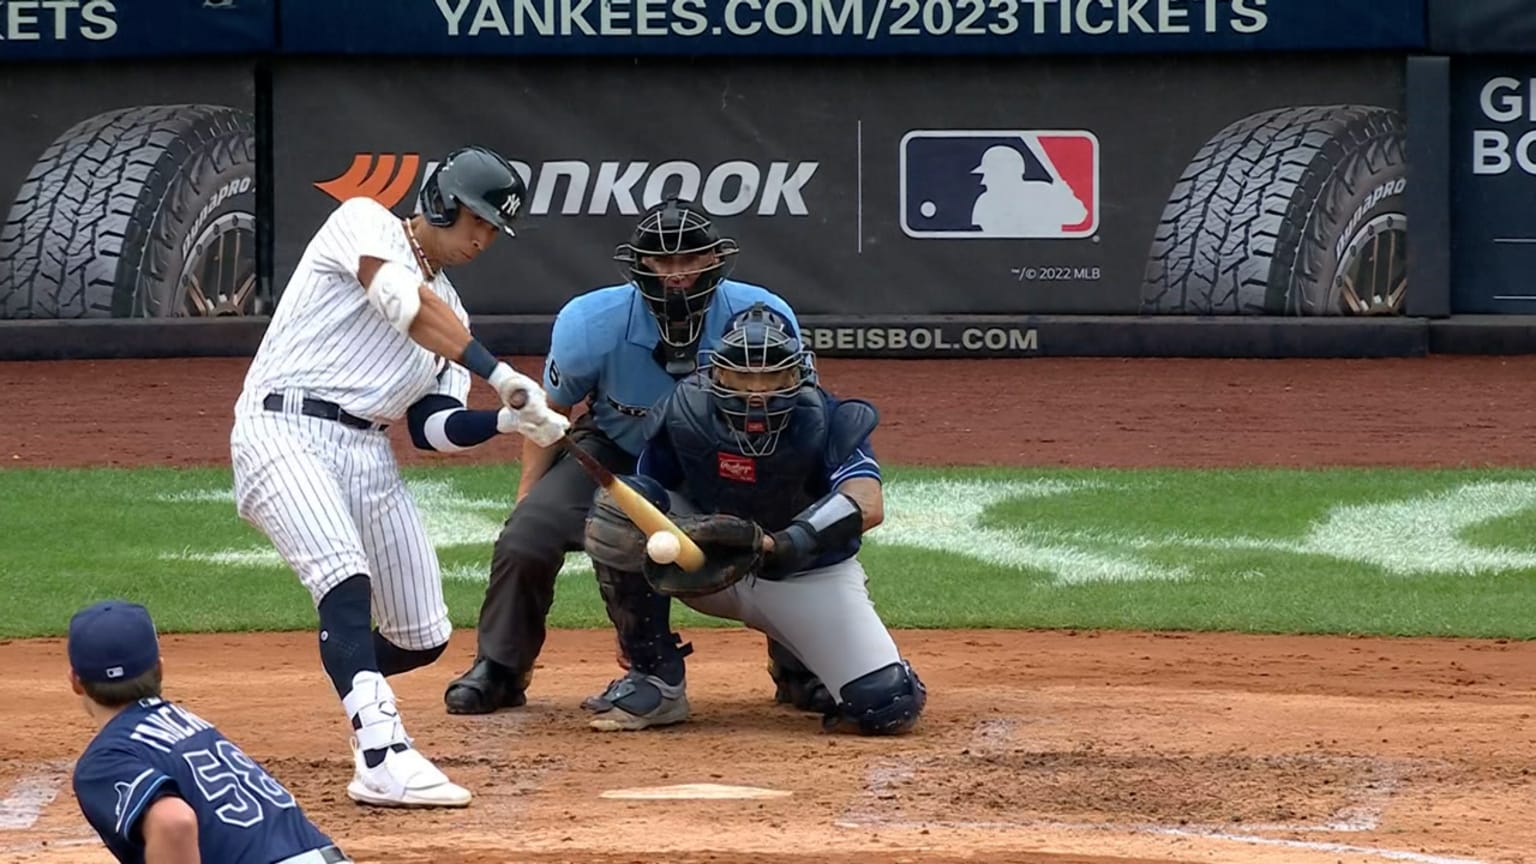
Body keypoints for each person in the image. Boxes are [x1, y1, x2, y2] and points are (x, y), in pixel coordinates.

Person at [229, 145, 569, 808]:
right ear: (442, 201)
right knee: (345, 580)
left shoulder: (456, 314)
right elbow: (399, 303)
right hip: (283, 425)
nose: (483, 238)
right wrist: (501, 375)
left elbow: (430, 427)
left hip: (367, 451)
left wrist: (507, 423)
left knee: (423, 635)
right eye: (476, 220)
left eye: (494, 230)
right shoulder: (365, 222)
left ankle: (348, 664)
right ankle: (379, 754)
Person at [442, 197, 825, 718]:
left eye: (690, 259)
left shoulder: (764, 313)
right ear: (639, 265)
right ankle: (502, 668)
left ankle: (801, 667)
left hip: (735, 457)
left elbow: (799, 412)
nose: (677, 274)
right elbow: (551, 411)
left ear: (715, 258)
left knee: (793, 528)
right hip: (618, 448)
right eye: (662, 261)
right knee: (528, 535)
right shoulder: (588, 322)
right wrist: (528, 494)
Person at [579, 303, 927, 735]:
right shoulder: (683, 414)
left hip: (805, 576)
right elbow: (648, 500)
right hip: (706, 566)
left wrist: (786, 543)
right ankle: (654, 679)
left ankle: (799, 666)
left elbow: (866, 501)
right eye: (743, 375)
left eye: (772, 376)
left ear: (798, 374)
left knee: (886, 704)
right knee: (619, 512)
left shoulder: (830, 418)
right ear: (717, 373)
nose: (756, 391)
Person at [68, 599, 350, 864]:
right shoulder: (188, 724)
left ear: (76, 682)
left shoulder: (106, 759)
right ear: (160, 670)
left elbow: (173, 822)